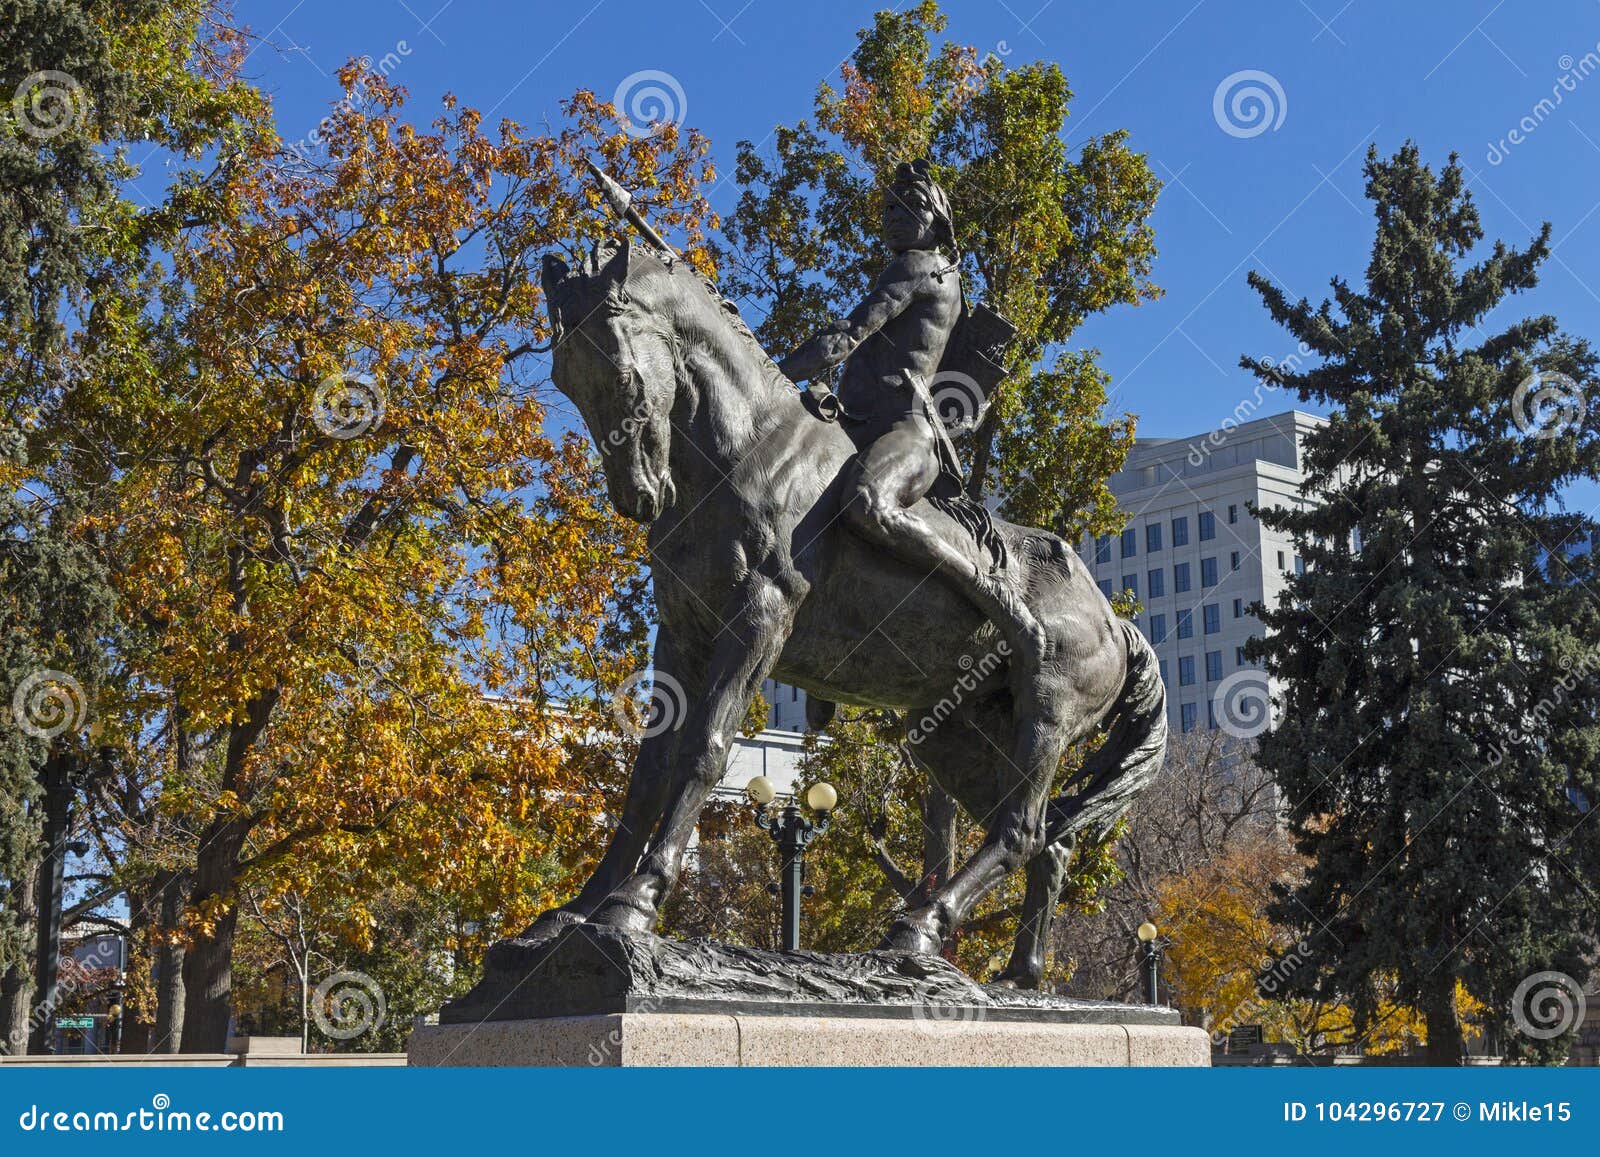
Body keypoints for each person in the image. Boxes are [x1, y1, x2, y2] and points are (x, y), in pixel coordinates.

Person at [778, 160, 1046, 661]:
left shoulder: (920, 266)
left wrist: (772, 373)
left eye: (911, 207)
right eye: (888, 209)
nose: (895, 216)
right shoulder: (928, 269)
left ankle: (992, 595)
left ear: (937, 218)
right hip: (859, 425)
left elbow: (847, 335)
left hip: (906, 429)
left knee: (866, 502)